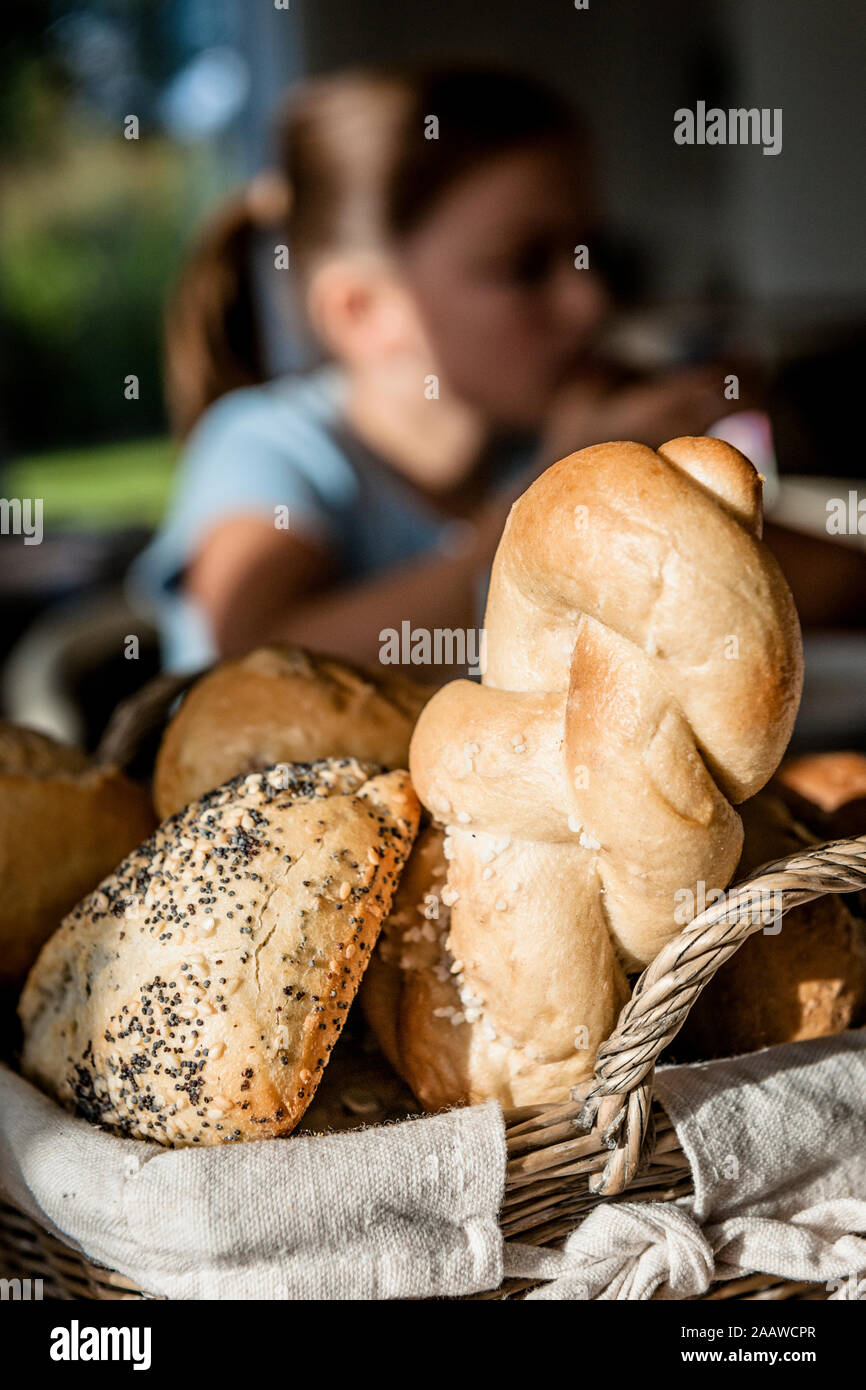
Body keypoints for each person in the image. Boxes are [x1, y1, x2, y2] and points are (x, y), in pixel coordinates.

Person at [131, 66, 736, 673]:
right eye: (525, 266)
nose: (590, 301)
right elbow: (252, 659)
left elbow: (785, 590)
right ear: (363, 311)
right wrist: (556, 498)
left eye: (589, 252)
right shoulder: (269, 449)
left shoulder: (524, 442)